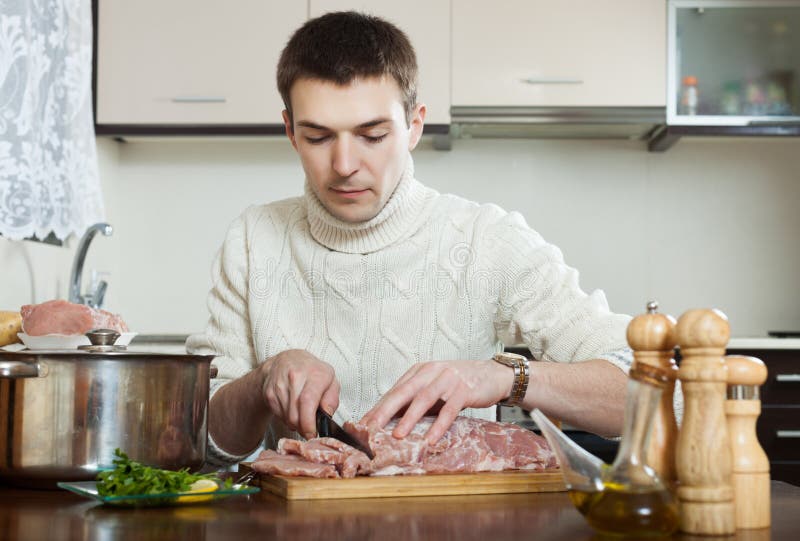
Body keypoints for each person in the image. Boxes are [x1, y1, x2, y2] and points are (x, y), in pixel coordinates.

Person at [186, 11, 633, 466]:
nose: (344, 164)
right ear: (290, 131)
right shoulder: (252, 239)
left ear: (414, 126)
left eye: (373, 135)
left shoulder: (486, 239)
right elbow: (204, 443)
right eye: (318, 137)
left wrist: (505, 378)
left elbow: (656, 393)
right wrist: (263, 380)